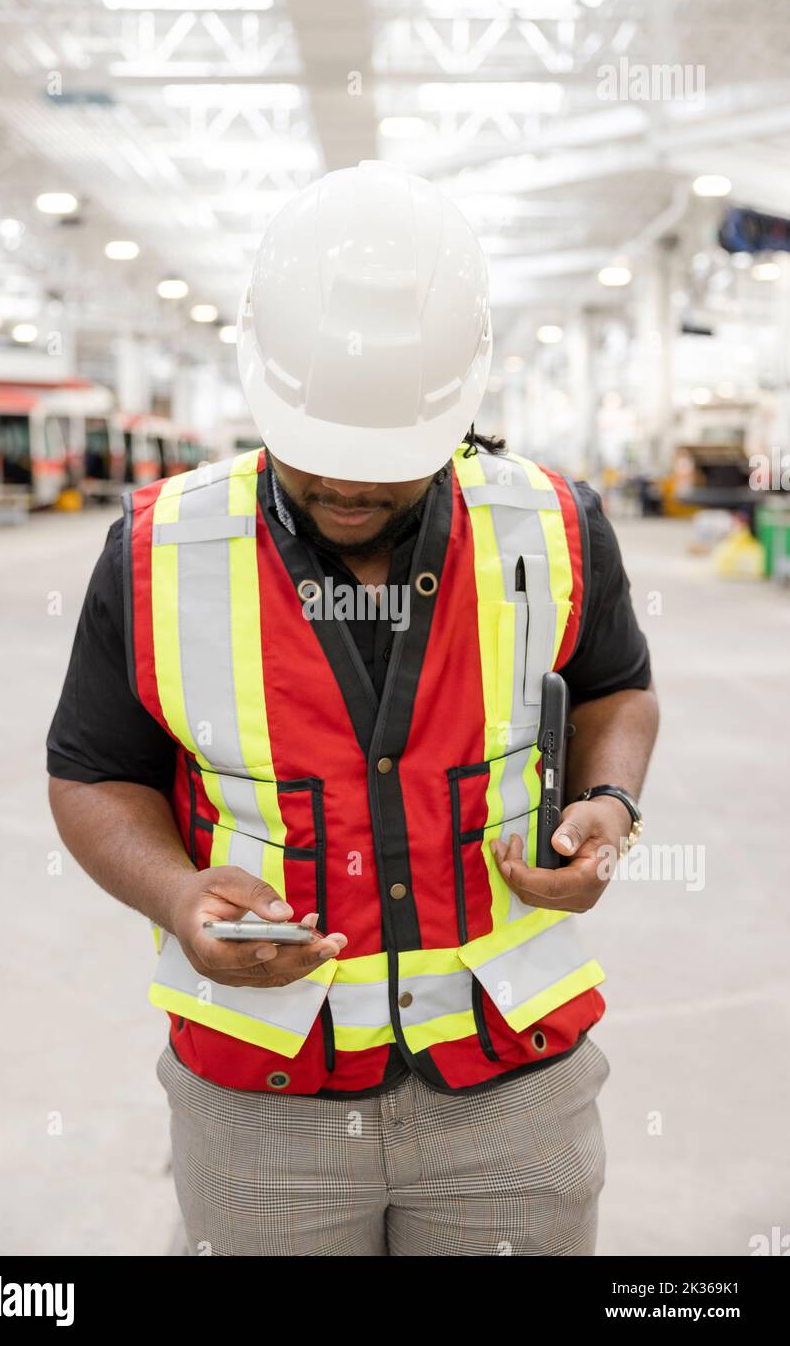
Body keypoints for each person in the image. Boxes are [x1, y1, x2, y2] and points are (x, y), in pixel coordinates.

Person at [48, 161, 658, 1257]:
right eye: (322, 461)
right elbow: (95, 772)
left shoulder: (556, 528)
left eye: (388, 470)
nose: (349, 493)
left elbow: (618, 687)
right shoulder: (156, 552)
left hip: (511, 1080)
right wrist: (181, 895)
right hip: (262, 1099)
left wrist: (610, 804)